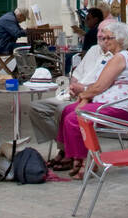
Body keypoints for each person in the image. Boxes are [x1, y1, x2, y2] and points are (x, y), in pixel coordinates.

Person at [54, 21, 128, 178]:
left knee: (75, 118)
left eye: (109, 38)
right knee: (67, 110)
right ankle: (70, 153)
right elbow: (97, 85)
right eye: (105, 37)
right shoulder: (112, 57)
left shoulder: (120, 57)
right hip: (106, 102)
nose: (105, 41)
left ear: (120, 40)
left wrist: (83, 97)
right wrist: (84, 97)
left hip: (119, 107)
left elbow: (100, 86)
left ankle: (85, 160)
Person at [33, 18, 116, 146]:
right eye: (99, 30)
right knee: (36, 108)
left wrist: (81, 90)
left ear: (113, 35)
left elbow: (103, 87)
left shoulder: (116, 57)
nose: (99, 34)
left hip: (90, 98)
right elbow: (76, 75)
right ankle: (65, 146)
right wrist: (72, 87)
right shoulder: (94, 50)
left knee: (62, 110)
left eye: (103, 31)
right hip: (73, 94)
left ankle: (65, 151)